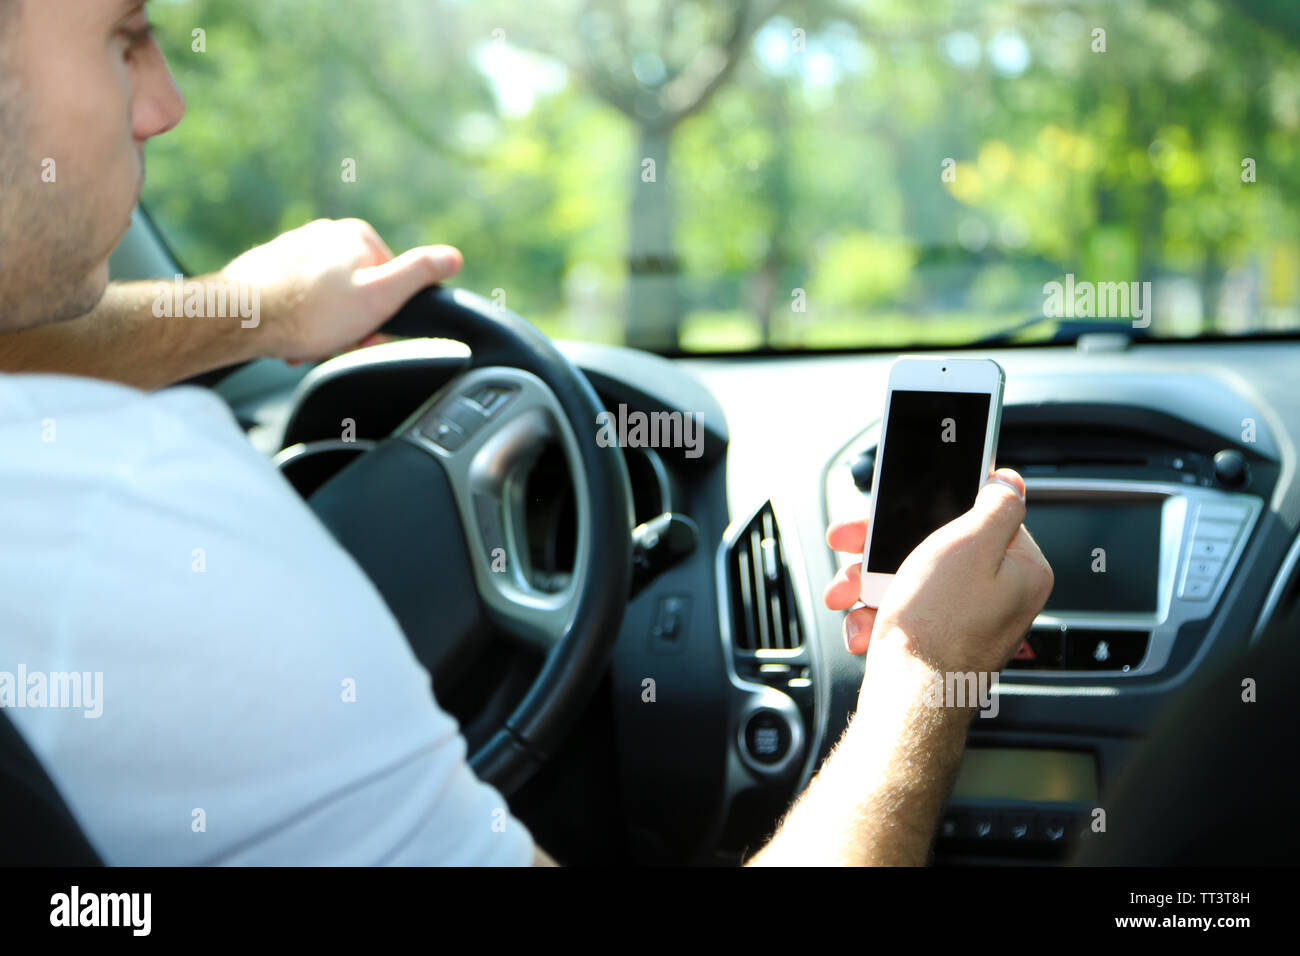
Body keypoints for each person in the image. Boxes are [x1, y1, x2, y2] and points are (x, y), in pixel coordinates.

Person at [0, 0, 1054, 866]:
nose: (164, 104)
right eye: (125, 36)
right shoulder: (124, 503)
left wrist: (255, 310)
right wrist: (926, 667)